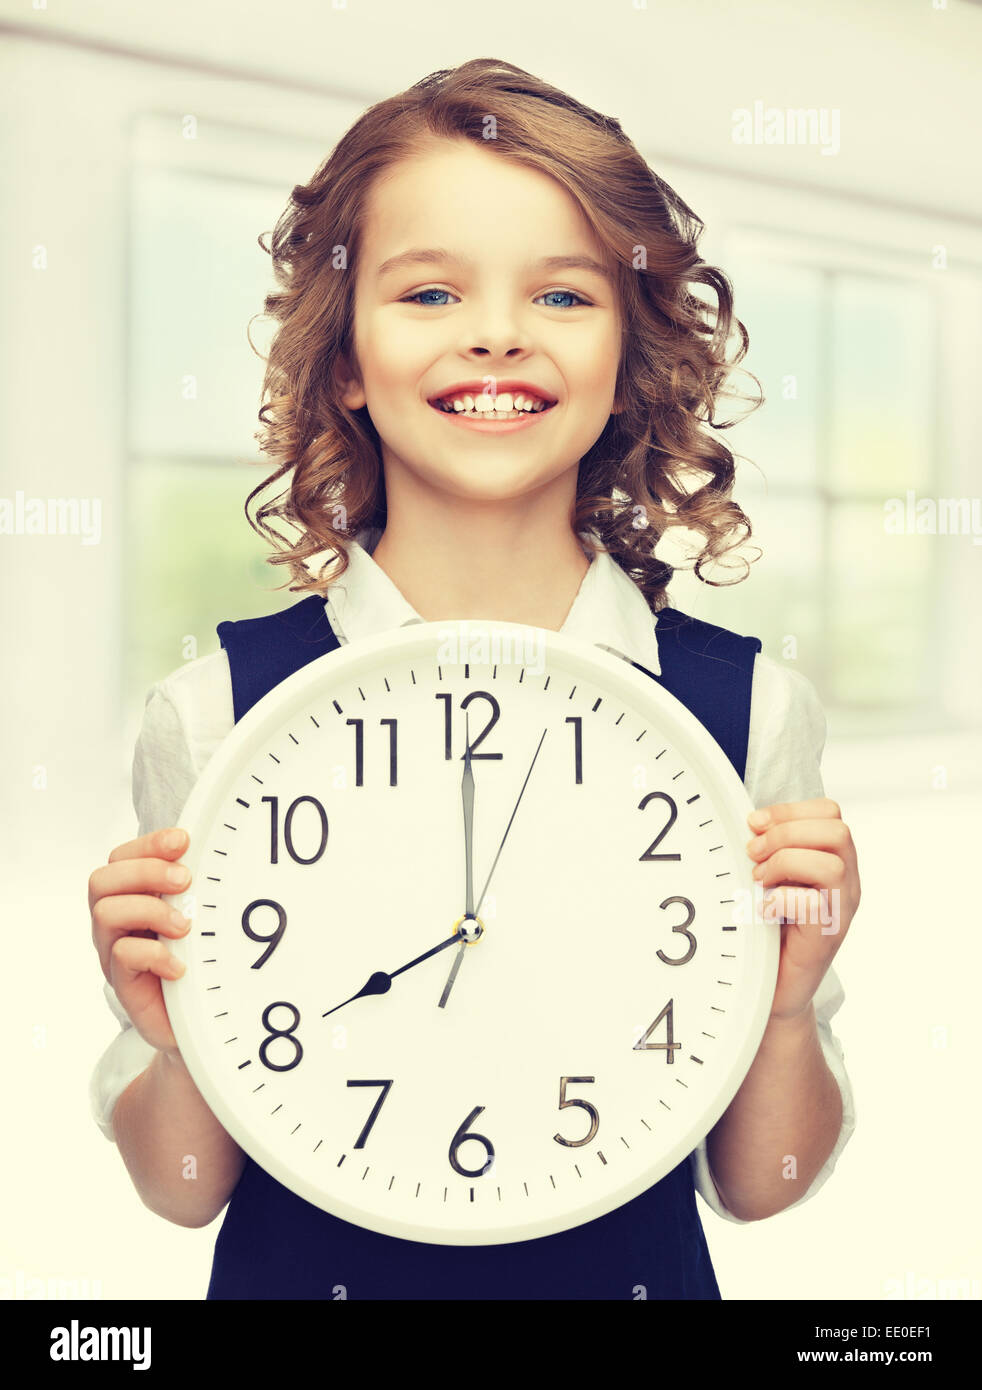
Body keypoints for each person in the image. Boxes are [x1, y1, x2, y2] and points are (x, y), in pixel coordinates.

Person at [88, 57, 860, 1299]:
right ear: (344, 358)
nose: (495, 331)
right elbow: (182, 1195)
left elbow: (762, 1183)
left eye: (561, 294)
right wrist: (182, 1047)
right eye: (432, 290)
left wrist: (782, 1007)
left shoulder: (748, 712)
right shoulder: (216, 714)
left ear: (628, 351)